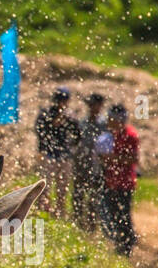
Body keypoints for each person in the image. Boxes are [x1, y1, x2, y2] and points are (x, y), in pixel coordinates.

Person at [97, 103, 139, 257]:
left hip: (125, 182)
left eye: (111, 119)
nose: (108, 122)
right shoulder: (109, 136)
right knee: (112, 213)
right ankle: (119, 243)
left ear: (119, 120)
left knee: (124, 214)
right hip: (110, 180)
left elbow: (133, 158)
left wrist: (112, 158)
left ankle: (127, 244)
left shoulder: (130, 135)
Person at [34, 87, 79, 219]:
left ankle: (60, 214)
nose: (62, 104)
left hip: (64, 155)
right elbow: (40, 132)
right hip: (47, 154)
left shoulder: (70, 116)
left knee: (62, 188)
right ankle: (43, 212)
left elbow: (77, 135)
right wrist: (54, 122)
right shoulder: (45, 114)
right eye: (60, 100)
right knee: (44, 187)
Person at [72, 92, 106, 232]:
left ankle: (92, 226)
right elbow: (75, 141)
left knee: (94, 197)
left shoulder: (104, 124)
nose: (92, 108)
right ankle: (78, 223)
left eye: (95, 105)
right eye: (91, 105)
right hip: (81, 162)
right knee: (78, 195)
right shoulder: (82, 123)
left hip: (97, 165)